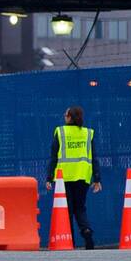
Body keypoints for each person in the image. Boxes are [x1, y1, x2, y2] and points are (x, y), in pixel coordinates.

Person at [46, 106, 102, 250]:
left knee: (67, 210)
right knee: (80, 208)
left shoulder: (60, 131)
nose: (64, 117)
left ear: (70, 118)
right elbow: (94, 157)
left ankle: (69, 239)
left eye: (65, 115)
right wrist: (97, 179)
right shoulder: (88, 133)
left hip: (63, 177)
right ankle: (86, 230)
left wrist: (49, 177)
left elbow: (53, 157)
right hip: (82, 176)